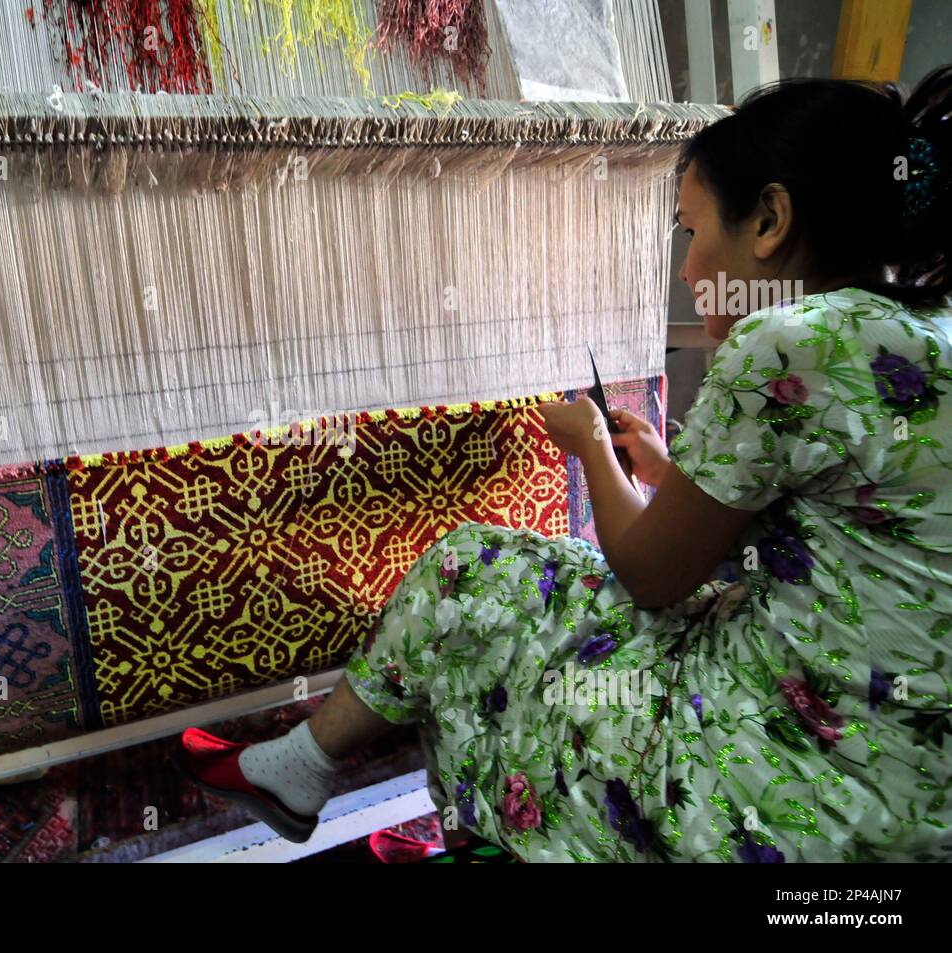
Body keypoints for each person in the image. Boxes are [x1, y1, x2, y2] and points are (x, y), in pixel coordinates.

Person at [179, 67, 952, 861]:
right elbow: (843, 530)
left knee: (479, 576)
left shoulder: (791, 341)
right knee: (541, 590)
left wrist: (590, 449)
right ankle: (322, 774)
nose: (689, 271)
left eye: (692, 233)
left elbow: (655, 573)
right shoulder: (930, 334)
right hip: (915, 792)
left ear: (769, 218)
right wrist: (657, 468)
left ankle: (468, 826)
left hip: (792, 790)